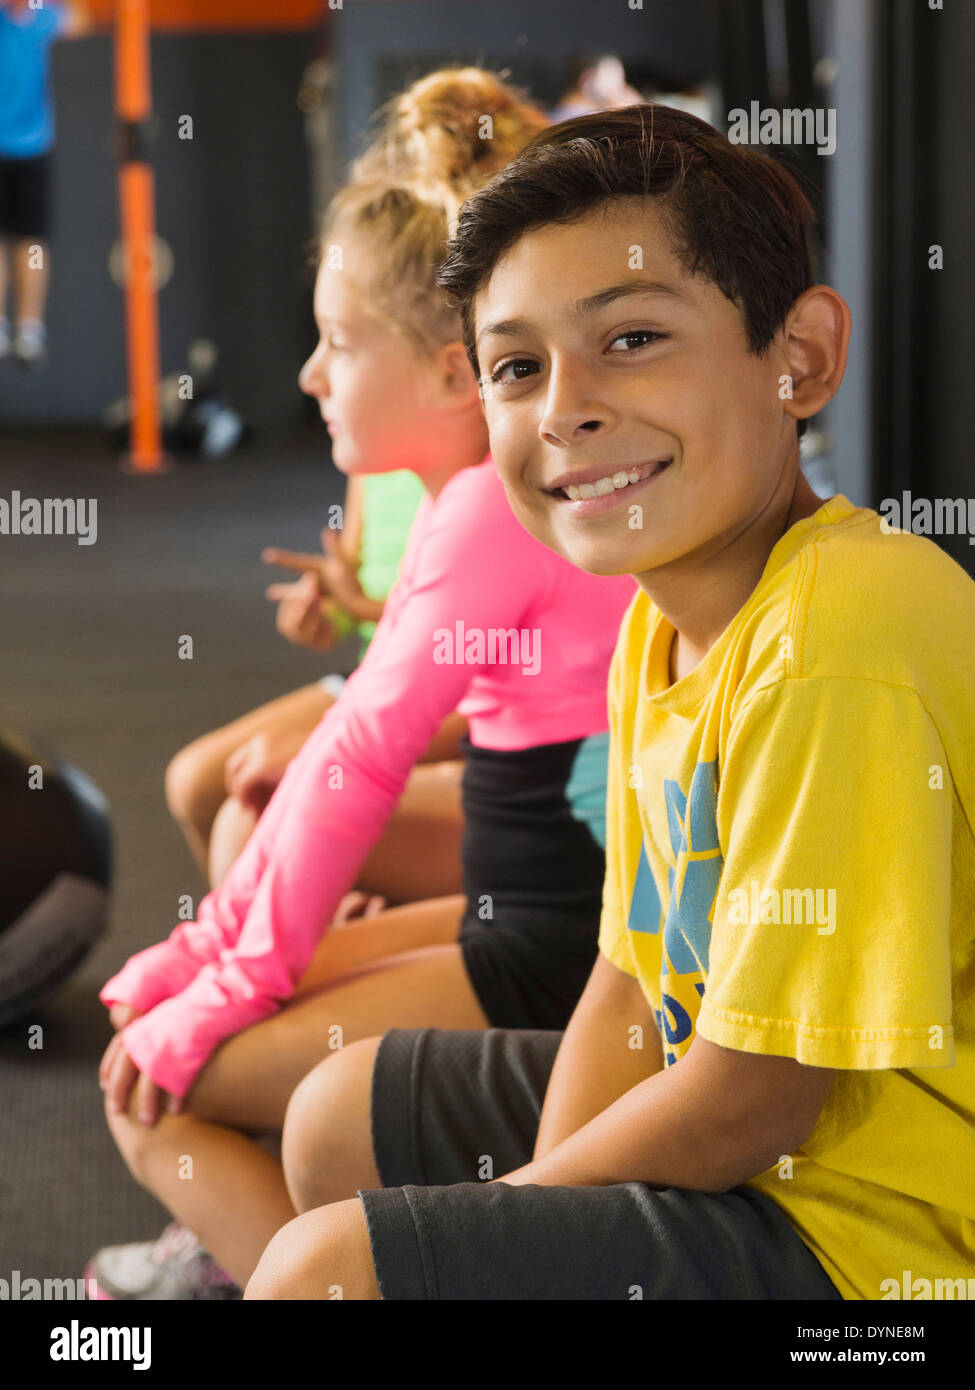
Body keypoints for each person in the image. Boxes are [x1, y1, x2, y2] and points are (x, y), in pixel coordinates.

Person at [245, 104, 975, 1302]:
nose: (563, 408)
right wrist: (505, 1239)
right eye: (517, 367)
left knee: (327, 1268)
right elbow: (630, 980)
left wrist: (504, 1221)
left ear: (801, 357)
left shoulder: (845, 632)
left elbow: (752, 1096)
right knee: (335, 1115)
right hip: (752, 1159)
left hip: (878, 1254)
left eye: (632, 337)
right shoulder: (657, 619)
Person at [89, 68, 635, 1299]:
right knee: (225, 880)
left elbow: (364, 758)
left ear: (455, 368)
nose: (308, 377)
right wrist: (217, 953)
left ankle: (284, 1269)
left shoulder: (491, 511)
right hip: (545, 907)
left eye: (336, 345)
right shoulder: (487, 500)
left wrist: (230, 975)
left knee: (152, 1084)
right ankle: (290, 1244)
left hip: (556, 940)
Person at [164, 465, 469, 903]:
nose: (315, 390)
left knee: (253, 817)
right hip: (380, 674)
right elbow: (349, 578)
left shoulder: (482, 468)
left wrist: (360, 606)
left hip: (460, 694)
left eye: (332, 387)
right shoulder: (372, 458)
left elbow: (474, 630)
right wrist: (326, 616)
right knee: (196, 782)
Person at [0, 0, 91, 367]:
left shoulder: (42, 18)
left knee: (31, 240)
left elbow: (80, 19)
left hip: (32, 148)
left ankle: (29, 328)